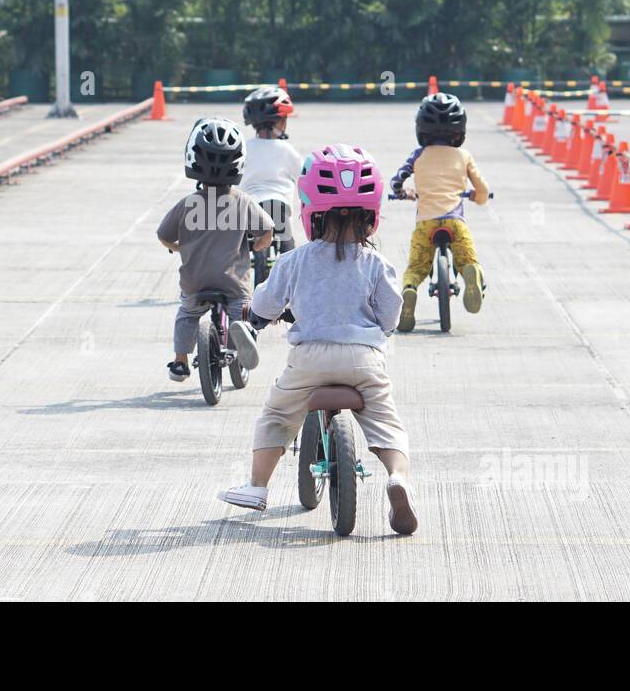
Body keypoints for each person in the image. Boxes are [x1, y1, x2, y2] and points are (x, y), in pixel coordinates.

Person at [222, 144, 418, 535]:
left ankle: (257, 488)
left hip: (309, 357)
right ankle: (398, 478)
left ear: (310, 210)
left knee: (277, 414)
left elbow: (266, 301)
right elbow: (390, 313)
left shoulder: (294, 260)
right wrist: (383, 329)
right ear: (371, 215)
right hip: (363, 358)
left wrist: (258, 319)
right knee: (386, 422)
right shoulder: (377, 264)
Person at [157, 118, 274, 382]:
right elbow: (267, 232)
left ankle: (180, 362)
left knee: (187, 313)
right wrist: (256, 246)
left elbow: (163, 235)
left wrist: (176, 247)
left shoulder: (187, 204)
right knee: (244, 309)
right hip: (233, 283)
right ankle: (242, 331)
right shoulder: (243, 202)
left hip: (195, 282)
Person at [390, 93, 490, 333]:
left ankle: (409, 292)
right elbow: (482, 190)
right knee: (467, 258)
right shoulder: (464, 156)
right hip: (455, 220)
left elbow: (396, 181)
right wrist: (478, 197)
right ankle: (469, 274)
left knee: (416, 266)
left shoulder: (418, 155)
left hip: (425, 222)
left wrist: (404, 193)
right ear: (459, 130)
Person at [239, 85, 302, 255]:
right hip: (279, 204)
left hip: (250, 206)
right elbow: (303, 175)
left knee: (239, 246)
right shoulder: (286, 149)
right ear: (281, 122)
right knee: (289, 247)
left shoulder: (244, 147)